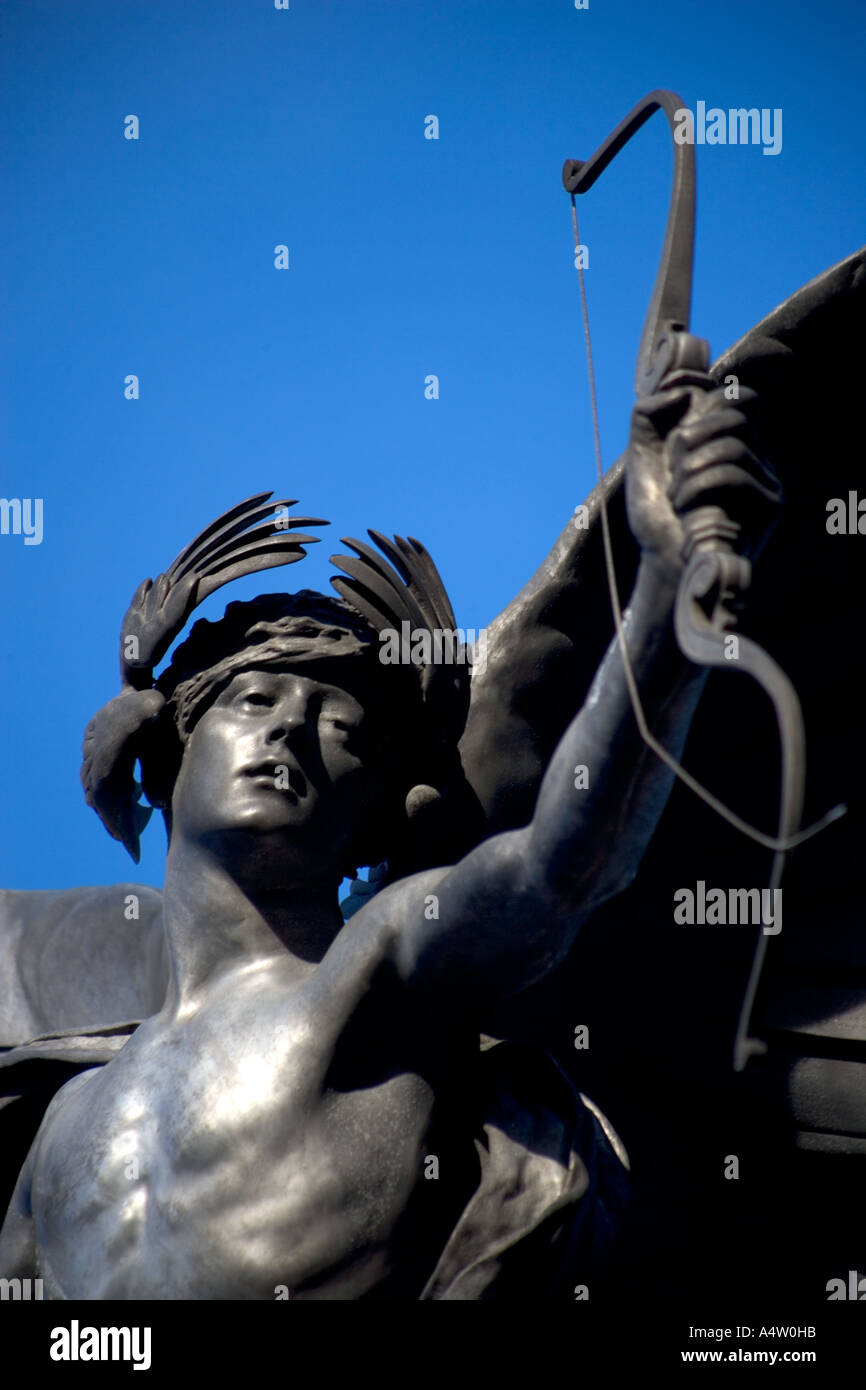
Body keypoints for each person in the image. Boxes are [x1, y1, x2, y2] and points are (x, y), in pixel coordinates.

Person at [0, 374, 780, 1299]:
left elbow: (556, 868)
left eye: (342, 730)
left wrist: (665, 596)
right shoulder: (58, 1123)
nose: (291, 729)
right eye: (255, 699)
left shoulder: (381, 975)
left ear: (374, 812)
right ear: (164, 754)